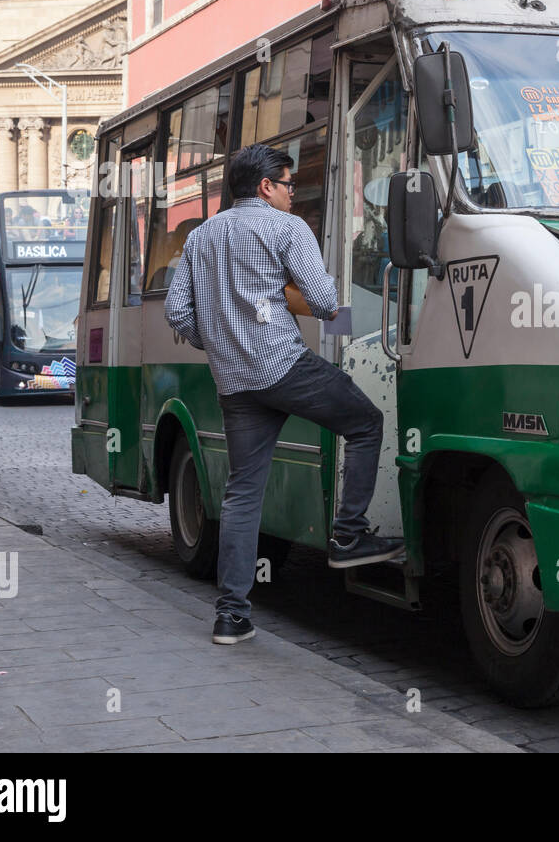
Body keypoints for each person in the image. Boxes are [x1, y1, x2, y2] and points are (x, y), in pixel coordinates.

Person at [164, 143, 400, 646]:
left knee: (242, 493)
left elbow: (178, 314)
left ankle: (231, 616)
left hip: (235, 383)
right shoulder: (288, 228)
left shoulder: (201, 236)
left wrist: (225, 344)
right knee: (365, 423)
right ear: (266, 187)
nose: (295, 194)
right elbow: (321, 300)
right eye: (289, 185)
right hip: (284, 367)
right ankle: (349, 533)